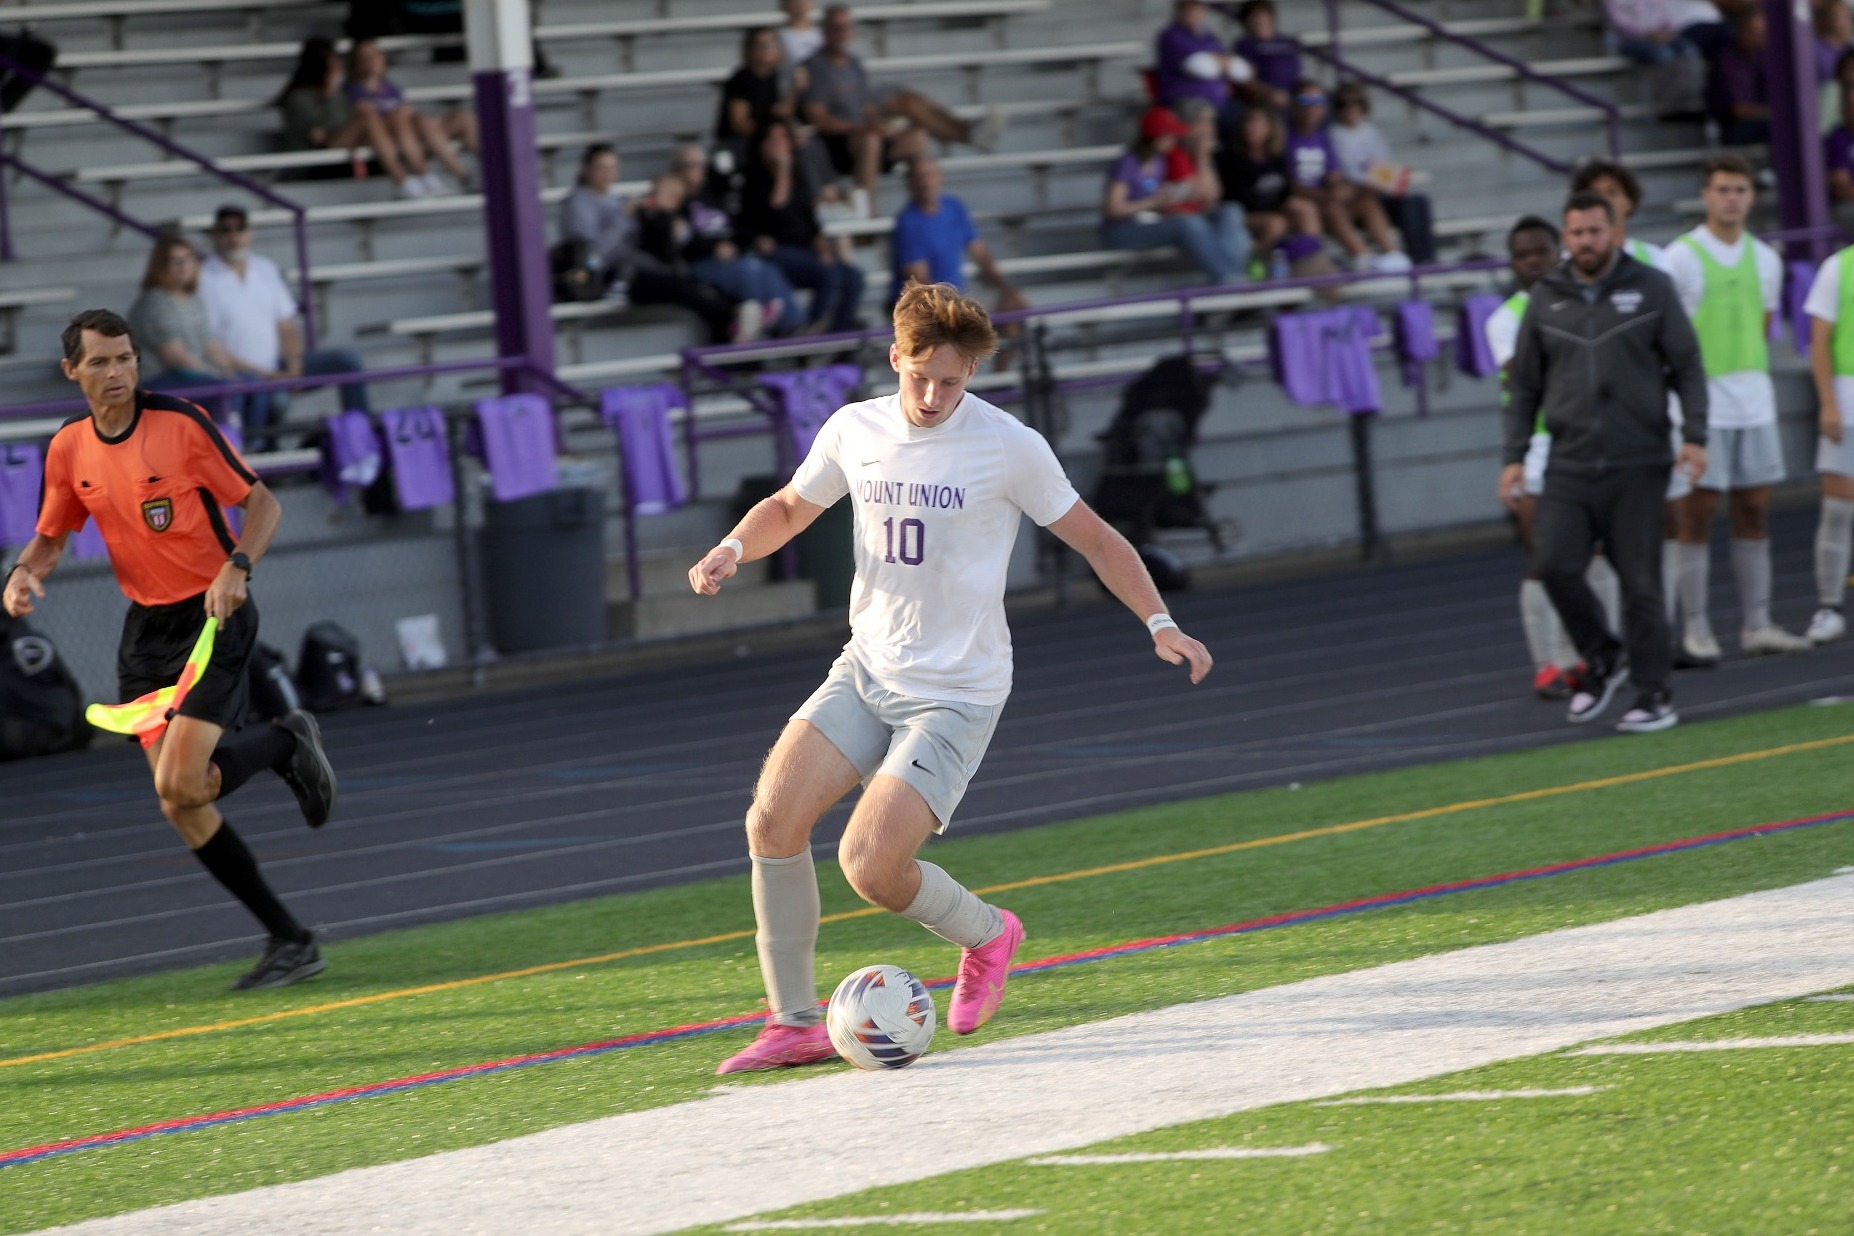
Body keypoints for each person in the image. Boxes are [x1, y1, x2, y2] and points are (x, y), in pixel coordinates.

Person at [687, 282, 1213, 1073]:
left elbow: (1100, 541)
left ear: (974, 372)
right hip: (866, 669)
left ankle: (990, 935)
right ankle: (793, 1022)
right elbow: (791, 508)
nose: (933, 396)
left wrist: (1161, 622)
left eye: (953, 380)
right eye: (919, 376)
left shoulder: (1009, 446)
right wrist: (733, 546)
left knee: (870, 867)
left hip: (957, 694)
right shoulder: (853, 428)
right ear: (895, 357)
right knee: (771, 821)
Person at [4, 309, 337, 990]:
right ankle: (290, 938)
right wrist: (22, 572)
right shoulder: (68, 448)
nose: (117, 372)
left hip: (215, 615)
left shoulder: (180, 424)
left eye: (125, 357)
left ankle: (285, 742)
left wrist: (236, 567)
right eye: (99, 362)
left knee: (179, 782)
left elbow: (263, 503)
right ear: (73, 372)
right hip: (145, 631)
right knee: (184, 800)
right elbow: (52, 534)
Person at [1502, 191, 1709, 732]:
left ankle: (1654, 694)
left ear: (1615, 233)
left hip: (1639, 459)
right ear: (1565, 238)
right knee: (1552, 563)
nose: (1585, 243)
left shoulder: (1651, 287)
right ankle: (1602, 655)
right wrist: (1514, 457)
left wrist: (1695, 435)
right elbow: (1524, 386)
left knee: (1640, 581)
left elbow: (1687, 365)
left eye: (1595, 232)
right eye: (1576, 234)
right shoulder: (1547, 298)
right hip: (1570, 462)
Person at [1662, 155, 1813, 659]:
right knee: (1696, 513)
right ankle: (1697, 627)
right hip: (1702, 406)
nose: (1731, 198)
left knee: (1754, 508)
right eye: (1722, 189)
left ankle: (1757, 624)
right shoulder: (1679, 258)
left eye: (1740, 189)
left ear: (1751, 197)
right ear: (1706, 195)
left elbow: (1764, 322)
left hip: (1754, 402)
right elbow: (1667, 334)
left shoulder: (1766, 260)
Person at [1570, 158, 1689, 646]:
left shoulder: (1656, 263)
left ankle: (1661, 628)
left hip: (1652, 411)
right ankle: (1609, 636)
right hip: (1595, 422)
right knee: (1598, 533)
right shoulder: (1571, 271)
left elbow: (1676, 343)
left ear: (1629, 202)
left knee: (1669, 520)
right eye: (1598, 192)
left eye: (1616, 192)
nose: (1609, 200)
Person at [1486, 215, 1591, 700]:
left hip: (1589, 439)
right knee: (1541, 556)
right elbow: (1527, 378)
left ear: (1559, 253)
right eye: (1523, 254)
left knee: (1597, 552)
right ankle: (1547, 663)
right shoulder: (1505, 319)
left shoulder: (1585, 301)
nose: (1534, 261)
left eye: (1542, 251)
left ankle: (1583, 654)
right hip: (1538, 445)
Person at [197, 204, 370, 452]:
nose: (234, 236)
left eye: (240, 228)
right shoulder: (204, 277)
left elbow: (286, 324)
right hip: (241, 373)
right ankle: (268, 457)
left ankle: (361, 440)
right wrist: (270, 377)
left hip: (277, 366)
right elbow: (213, 346)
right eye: (226, 230)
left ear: (250, 232)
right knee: (277, 399)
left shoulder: (264, 267)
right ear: (215, 234)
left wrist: (295, 366)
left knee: (347, 361)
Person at [797, 6, 1000, 211]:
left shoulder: (853, 63)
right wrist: (859, 128)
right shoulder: (815, 67)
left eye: (847, 27)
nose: (843, 33)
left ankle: (963, 137)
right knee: (871, 141)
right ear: (825, 31)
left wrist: (881, 126)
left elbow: (864, 106)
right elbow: (818, 118)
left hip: (866, 131)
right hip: (839, 144)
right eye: (837, 27)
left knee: (917, 132)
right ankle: (867, 214)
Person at [559, 146, 753, 344]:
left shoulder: (616, 200)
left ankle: (735, 326)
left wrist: (678, 230)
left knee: (694, 280)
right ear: (586, 169)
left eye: (613, 167)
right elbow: (593, 257)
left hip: (642, 267)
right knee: (680, 286)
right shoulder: (579, 204)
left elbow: (647, 238)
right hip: (614, 276)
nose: (608, 174)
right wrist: (623, 219)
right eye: (602, 167)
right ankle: (730, 321)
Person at [736, 120, 866, 333]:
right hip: (776, 250)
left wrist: (823, 247)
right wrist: (782, 171)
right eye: (772, 138)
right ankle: (811, 330)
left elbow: (810, 221)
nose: (778, 144)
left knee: (854, 277)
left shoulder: (799, 178)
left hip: (804, 249)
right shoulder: (753, 180)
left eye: (782, 138)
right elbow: (775, 211)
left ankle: (841, 335)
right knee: (828, 274)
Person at [1101, 107, 1249, 285]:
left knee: (1229, 210)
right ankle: (1230, 278)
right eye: (1171, 135)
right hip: (1122, 231)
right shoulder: (1128, 161)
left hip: (1149, 222)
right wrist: (1154, 202)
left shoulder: (1159, 161)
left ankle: (1232, 274)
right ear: (1158, 136)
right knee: (1186, 223)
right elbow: (1113, 208)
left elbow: (1208, 196)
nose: (1175, 140)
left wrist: (1172, 197)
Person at [669, 143, 802, 336]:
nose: (698, 170)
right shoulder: (678, 202)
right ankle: (761, 328)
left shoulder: (712, 197)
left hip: (730, 258)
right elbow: (682, 241)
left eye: (701, 164)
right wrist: (714, 247)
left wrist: (749, 241)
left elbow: (734, 229)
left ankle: (794, 326)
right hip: (702, 261)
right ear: (678, 170)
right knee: (749, 268)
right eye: (691, 165)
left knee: (768, 268)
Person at [1286, 81, 1408, 273]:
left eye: (1317, 101)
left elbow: (1334, 173)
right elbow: (1288, 183)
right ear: (1294, 104)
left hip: (1327, 198)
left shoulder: (1323, 137)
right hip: (1304, 202)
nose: (1312, 107)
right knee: (1331, 204)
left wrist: (1339, 187)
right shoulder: (1285, 136)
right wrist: (1326, 195)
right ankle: (1361, 255)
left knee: (1366, 200)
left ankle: (1393, 254)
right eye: (1305, 100)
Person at [127, 232, 254, 417]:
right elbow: (177, 358)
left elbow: (212, 347)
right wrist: (220, 375)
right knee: (226, 390)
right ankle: (222, 442)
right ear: (161, 266)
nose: (184, 266)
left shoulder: (194, 299)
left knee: (254, 384)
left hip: (196, 374)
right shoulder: (155, 301)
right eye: (175, 261)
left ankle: (257, 443)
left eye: (188, 259)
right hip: (162, 379)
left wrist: (236, 372)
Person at [634, 172, 770, 343]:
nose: (651, 197)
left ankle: (740, 324)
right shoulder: (648, 216)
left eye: (657, 193)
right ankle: (735, 321)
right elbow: (658, 245)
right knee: (704, 297)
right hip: (653, 275)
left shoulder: (678, 219)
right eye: (652, 192)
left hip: (678, 274)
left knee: (716, 294)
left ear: (675, 199)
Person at [274, 36, 421, 193]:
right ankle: (404, 179)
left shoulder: (339, 93)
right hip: (312, 163)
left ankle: (415, 176)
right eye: (333, 62)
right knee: (368, 117)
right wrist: (331, 93)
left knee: (391, 125)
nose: (338, 66)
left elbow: (343, 123)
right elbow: (323, 134)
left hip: (343, 152)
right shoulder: (299, 98)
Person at [890, 153, 1025, 315]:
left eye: (929, 174)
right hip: (923, 308)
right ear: (909, 183)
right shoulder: (907, 223)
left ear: (939, 177)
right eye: (918, 177)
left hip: (955, 297)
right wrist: (956, 309)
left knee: (1014, 304)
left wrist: (1007, 290)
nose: (925, 182)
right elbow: (921, 284)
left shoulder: (954, 207)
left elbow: (980, 254)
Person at [345, 37, 477, 194]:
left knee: (440, 119)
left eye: (375, 55)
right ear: (355, 63)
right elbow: (369, 121)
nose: (372, 61)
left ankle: (467, 175)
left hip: (408, 137)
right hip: (388, 141)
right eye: (365, 57)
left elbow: (405, 112)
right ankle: (426, 176)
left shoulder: (390, 87)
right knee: (402, 119)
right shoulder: (352, 91)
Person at [1803, 240, 1854, 644]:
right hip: (1847, 403)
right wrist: (1828, 403)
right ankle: (1829, 606)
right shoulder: (1838, 268)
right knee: (1838, 509)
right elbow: (1819, 341)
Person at [1329, 81, 1436, 266]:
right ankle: (1412, 259)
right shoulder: (1333, 135)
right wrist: (1375, 177)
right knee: (1376, 200)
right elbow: (1350, 172)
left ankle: (1426, 260)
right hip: (1360, 196)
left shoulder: (1372, 132)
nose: (1349, 109)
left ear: (1363, 105)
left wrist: (1382, 177)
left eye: (1354, 103)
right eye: (1343, 104)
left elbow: (1385, 167)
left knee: (1418, 202)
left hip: (1379, 190)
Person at [1216, 105, 1327, 279]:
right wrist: (1278, 205)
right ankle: (1255, 262)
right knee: (1276, 222)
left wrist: (1288, 201)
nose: (1251, 127)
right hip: (1240, 215)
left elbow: (1284, 189)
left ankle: (1311, 260)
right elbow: (1239, 199)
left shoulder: (1277, 157)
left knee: (1305, 208)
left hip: (1271, 209)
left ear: (1270, 127)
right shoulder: (1231, 157)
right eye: (1248, 122)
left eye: (1257, 122)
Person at [1152, 0, 1254, 113]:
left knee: (1253, 115)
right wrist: (1222, 62)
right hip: (1186, 103)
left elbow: (1240, 70)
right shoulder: (1171, 35)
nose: (1192, 11)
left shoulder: (1208, 36)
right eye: (1187, 7)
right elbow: (1199, 67)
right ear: (1178, 9)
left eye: (1197, 7)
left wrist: (1217, 61)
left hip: (1219, 103)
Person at [717, 26, 796, 146]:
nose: (766, 49)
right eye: (760, 45)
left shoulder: (779, 78)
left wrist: (796, 89)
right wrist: (770, 137)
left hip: (768, 140)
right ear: (749, 49)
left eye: (771, 44)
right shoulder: (741, 80)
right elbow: (739, 123)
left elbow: (784, 114)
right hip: (742, 141)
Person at [1706, 8, 1770, 146]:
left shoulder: (1765, 56)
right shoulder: (1727, 61)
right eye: (1754, 33)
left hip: (1763, 119)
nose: (1759, 38)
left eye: (1763, 34)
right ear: (1740, 31)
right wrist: (1779, 112)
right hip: (1735, 128)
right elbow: (1739, 110)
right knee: (1781, 126)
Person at [1234, 0, 1300, 112]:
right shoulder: (1246, 44)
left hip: (1293, 95)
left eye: (1262, 14)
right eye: (1253, 16)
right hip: (1265, 99)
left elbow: (1298, 73)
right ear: (1246, 21)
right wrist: (1271, 93)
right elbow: (1249, 81)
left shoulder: (1287, 42)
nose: (1258, 20)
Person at [1604, 0, 1706, 64]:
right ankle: (1669, 95)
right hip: (1631, 40)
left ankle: (1687, 92)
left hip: (1661, 35)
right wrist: (1647, 33)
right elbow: (1620, 24)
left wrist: (1668, 32)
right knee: (1663, 54)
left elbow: (1666, 17)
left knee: (1689, 49)